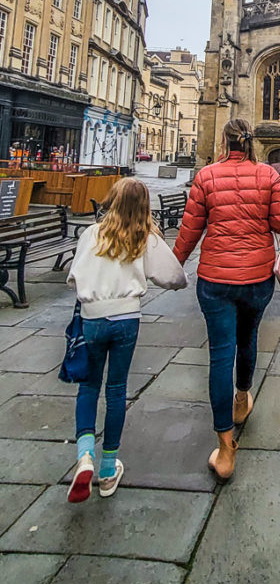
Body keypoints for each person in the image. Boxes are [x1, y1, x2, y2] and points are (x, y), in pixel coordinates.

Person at [173, 119, 280, 482]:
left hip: (215, 280)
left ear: (225, 143)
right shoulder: (269, 176)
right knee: (248, 339)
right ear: (251, 143)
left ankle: (225, 449)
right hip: (256, 278)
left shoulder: (206, 176)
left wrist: (173, 265)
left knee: (220, 355)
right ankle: (242, 398)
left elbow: (190, 229)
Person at [66, 178, 187, 504]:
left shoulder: (91, 234)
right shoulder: (145, 237)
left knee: (88, 387)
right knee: (116, 389)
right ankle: (108, 469)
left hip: (92, 319)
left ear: (112, 200)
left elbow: (74, 277)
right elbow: (175, 277)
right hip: (126, 319)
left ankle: (85, 456)